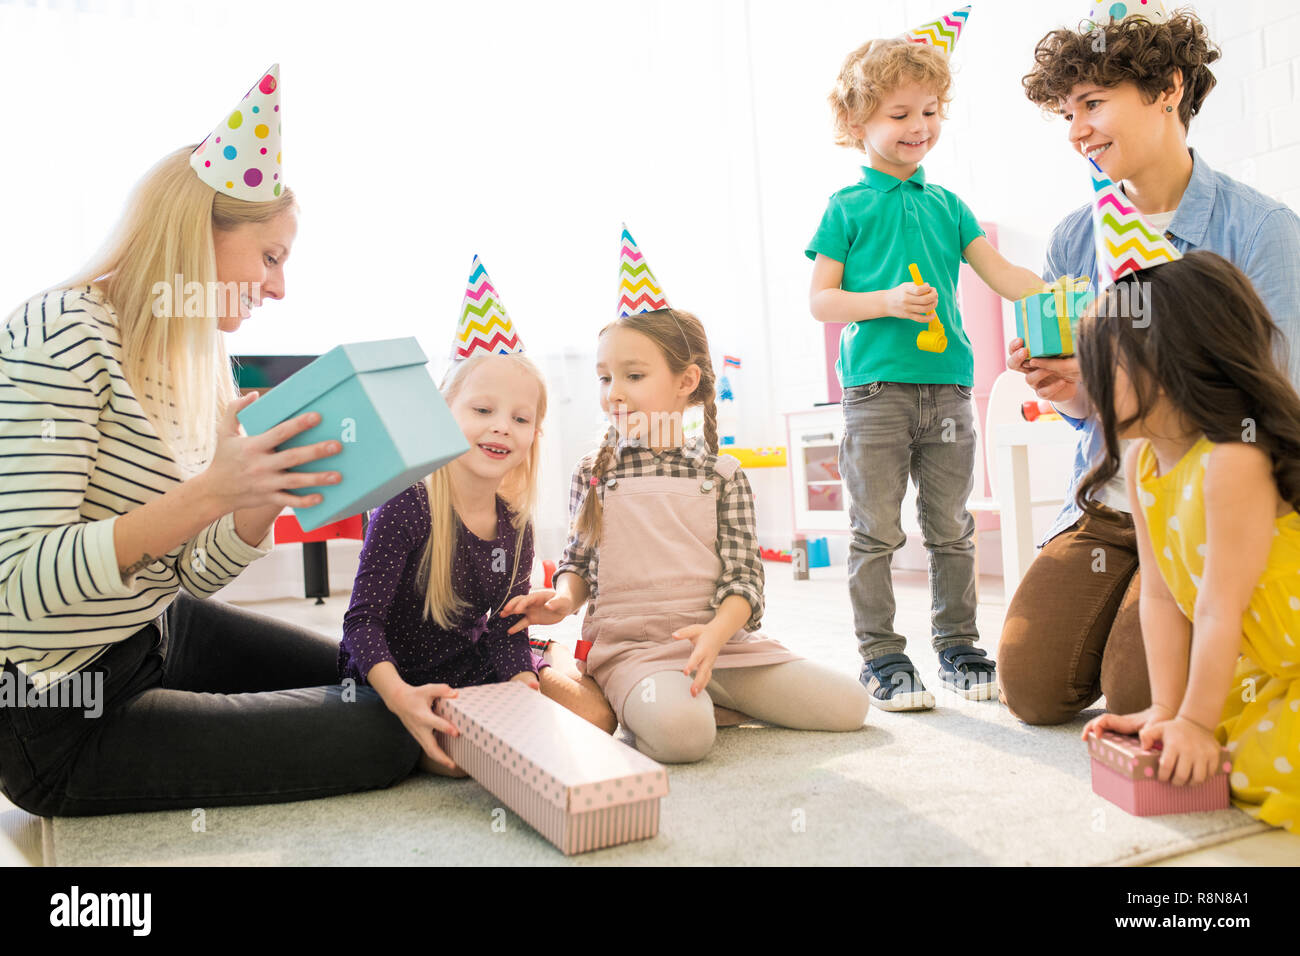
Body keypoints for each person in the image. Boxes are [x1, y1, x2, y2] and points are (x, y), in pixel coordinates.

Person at [0, 66, 422, 816]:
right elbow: (16, 592)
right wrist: (212, 493)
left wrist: (258, 501)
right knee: (387, 735)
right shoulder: (58, 333)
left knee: (377, 675)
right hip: (60, 707)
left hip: (160, 628)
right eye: (270, 257)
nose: (279, 287)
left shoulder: (202, 363)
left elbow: (194, 574)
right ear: (199, 236)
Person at [1000, 5, 1300, 725]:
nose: (1077, 131)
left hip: (1218, 498)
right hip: (1116, 495)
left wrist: (1135, 388)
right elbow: (1087, 414)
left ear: (1168, 89)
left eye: (1094, 104)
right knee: (1034, 690)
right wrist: (1075, 388)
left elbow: (1277, 400)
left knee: (1144, 692)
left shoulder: (1260, 231)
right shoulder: (1075, 238)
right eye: (1068, 112)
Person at [503, 230, 870, 762]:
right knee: (685, 740)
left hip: (721, 645)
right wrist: (562, 600)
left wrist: (718, 634)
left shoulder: (722, 474)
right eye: (605, 378)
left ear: (686, 381)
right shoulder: (593, 472)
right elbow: (579, 563)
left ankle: (715, 699)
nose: (614, 393)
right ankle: (655, 696)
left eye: (633, 375)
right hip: (634, 648)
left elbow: (744, 577)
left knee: (849, 706)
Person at [807, 19, 1043, 710]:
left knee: (952, 527)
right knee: (875, 529)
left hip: (947, 391)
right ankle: (881, 656)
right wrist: (882, 301)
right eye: (900, 113)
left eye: (931, 112)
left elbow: (1001, 274)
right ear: (857, 121)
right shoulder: (845, 206)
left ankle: (959, 646)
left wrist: (1065, 289)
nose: (920, 126)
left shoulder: (948, 205)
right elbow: (821, 301)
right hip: (876, 391)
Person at [339, 262, 616, 778]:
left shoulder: (516, 524)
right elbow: (360, 622)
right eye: (482, 410)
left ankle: (540, 664)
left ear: (535, 432)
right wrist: (398, 695)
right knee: (458, 762)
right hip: (403, 673)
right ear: (446, 411)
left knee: (596, 717)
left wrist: (521, 683)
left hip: (474, 662)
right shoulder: (407, 504)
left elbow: (507, 621)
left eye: (519, 418)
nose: (501, 429)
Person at [1077, 250, 1300, 836]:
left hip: (1285, 659)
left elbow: (1217, 607)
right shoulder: (1147, 462)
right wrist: (1170, 711)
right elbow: (1161, 598)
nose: (1089, 384)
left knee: (1255, 764)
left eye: (1106, 366)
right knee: (1202, 740)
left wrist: (1196, 725)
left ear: (1168, 363)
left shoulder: (1232, 462)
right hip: (1275, 664)